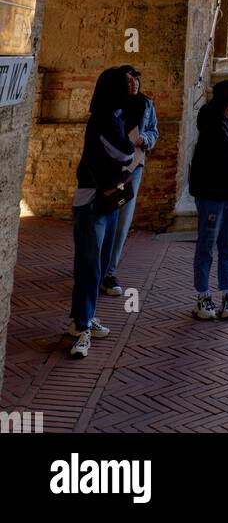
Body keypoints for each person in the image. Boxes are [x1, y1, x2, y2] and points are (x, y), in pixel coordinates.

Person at [67, 68, 137, 359]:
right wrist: (131, 149)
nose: (130, 87)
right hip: (91, 202)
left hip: (105, 202)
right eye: (125, 85)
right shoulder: (102, 120)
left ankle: (83, 318)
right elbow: (125, 153)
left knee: (100, 262)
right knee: (89, 265)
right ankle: (80, 326)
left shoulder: (115, 116)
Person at [188, 78, 228, 321]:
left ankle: (226, 295)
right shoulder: (215, 124)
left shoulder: (225, 121)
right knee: (208, 246)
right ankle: (203, 297)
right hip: (213, 194)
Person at [100, 65, 159, 296]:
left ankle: (109, 271)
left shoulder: (147, 104)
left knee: (123, 221)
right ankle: (95, 264)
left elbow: (154, 130)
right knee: (103, 216)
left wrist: (145, 139)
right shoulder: (112, 105)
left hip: (133, 168)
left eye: (136, 79)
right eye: (129, 80)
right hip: (111, 166)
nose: (134, 83)